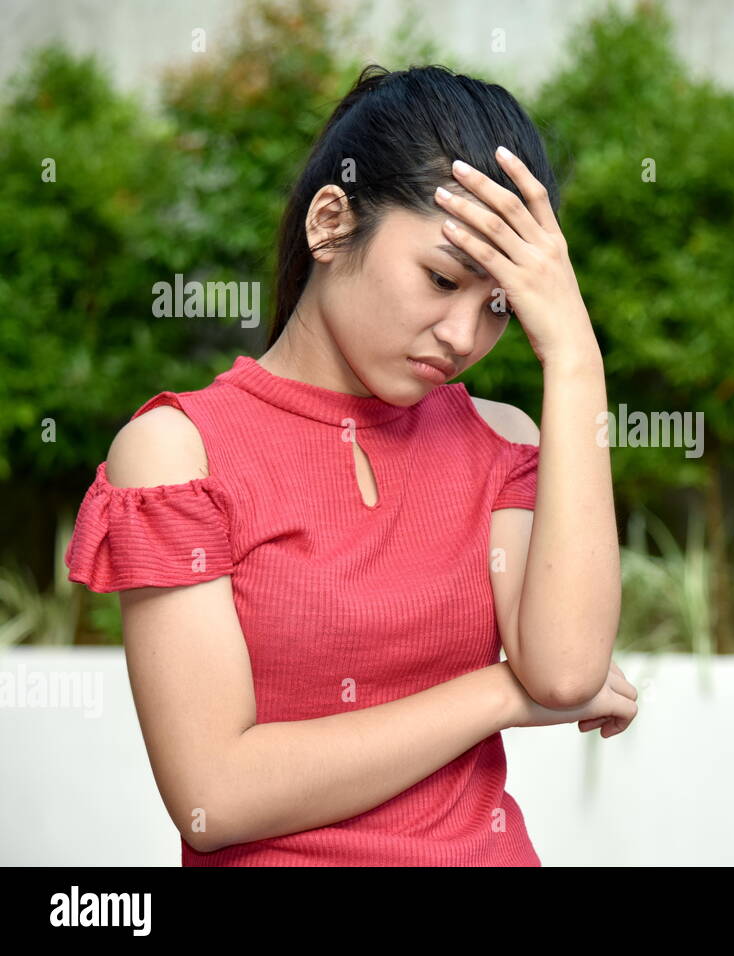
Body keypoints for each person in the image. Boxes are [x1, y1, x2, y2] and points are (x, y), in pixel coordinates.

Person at [63, 64, 636, 866]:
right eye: (442, 279)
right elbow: (212, 797)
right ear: (331, 223)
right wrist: (498, 694)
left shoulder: (499, 441)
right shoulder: (177, 453)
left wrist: (575, 355)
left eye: (500, 305)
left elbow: (568, 671)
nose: (465, 336)